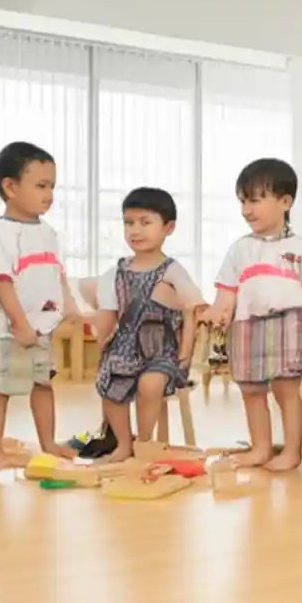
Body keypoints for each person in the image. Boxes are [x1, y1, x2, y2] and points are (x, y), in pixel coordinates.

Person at [203, 159, 302, 471]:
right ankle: (260, 448)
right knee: (251, 389)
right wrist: (218, 310)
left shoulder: (301, 248)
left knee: (286, 389)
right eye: (243, 201)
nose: (247, 209)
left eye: (255, 200)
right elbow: (227, 290)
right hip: (245, 324)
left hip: (290, 322)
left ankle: (292, 452)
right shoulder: (240, 249)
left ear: (285, 202)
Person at [0, 141, 84, 472]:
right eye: (41, 186)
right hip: (6, 331)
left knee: (43, 384)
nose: (49, 194)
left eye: (52, 186)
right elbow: (1, 281)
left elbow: (57, 274)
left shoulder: (48, 233)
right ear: (9, 187)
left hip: (43, 328)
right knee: (1, 389)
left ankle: (49, 443)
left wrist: (70, 308)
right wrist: (19, 322)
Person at [92, 187, 205, 462]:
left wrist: (186, 351)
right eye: (129, 223)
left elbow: (194, 307)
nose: (135, 230)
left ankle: (144, 443)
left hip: (163, 350)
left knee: (150, 385)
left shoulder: (172, 270)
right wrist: (102, 338)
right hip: (125, 347)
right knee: (109, 382)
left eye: (145, 222)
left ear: (168, 228)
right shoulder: (116, 271)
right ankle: (123, 443)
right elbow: (106, 311)